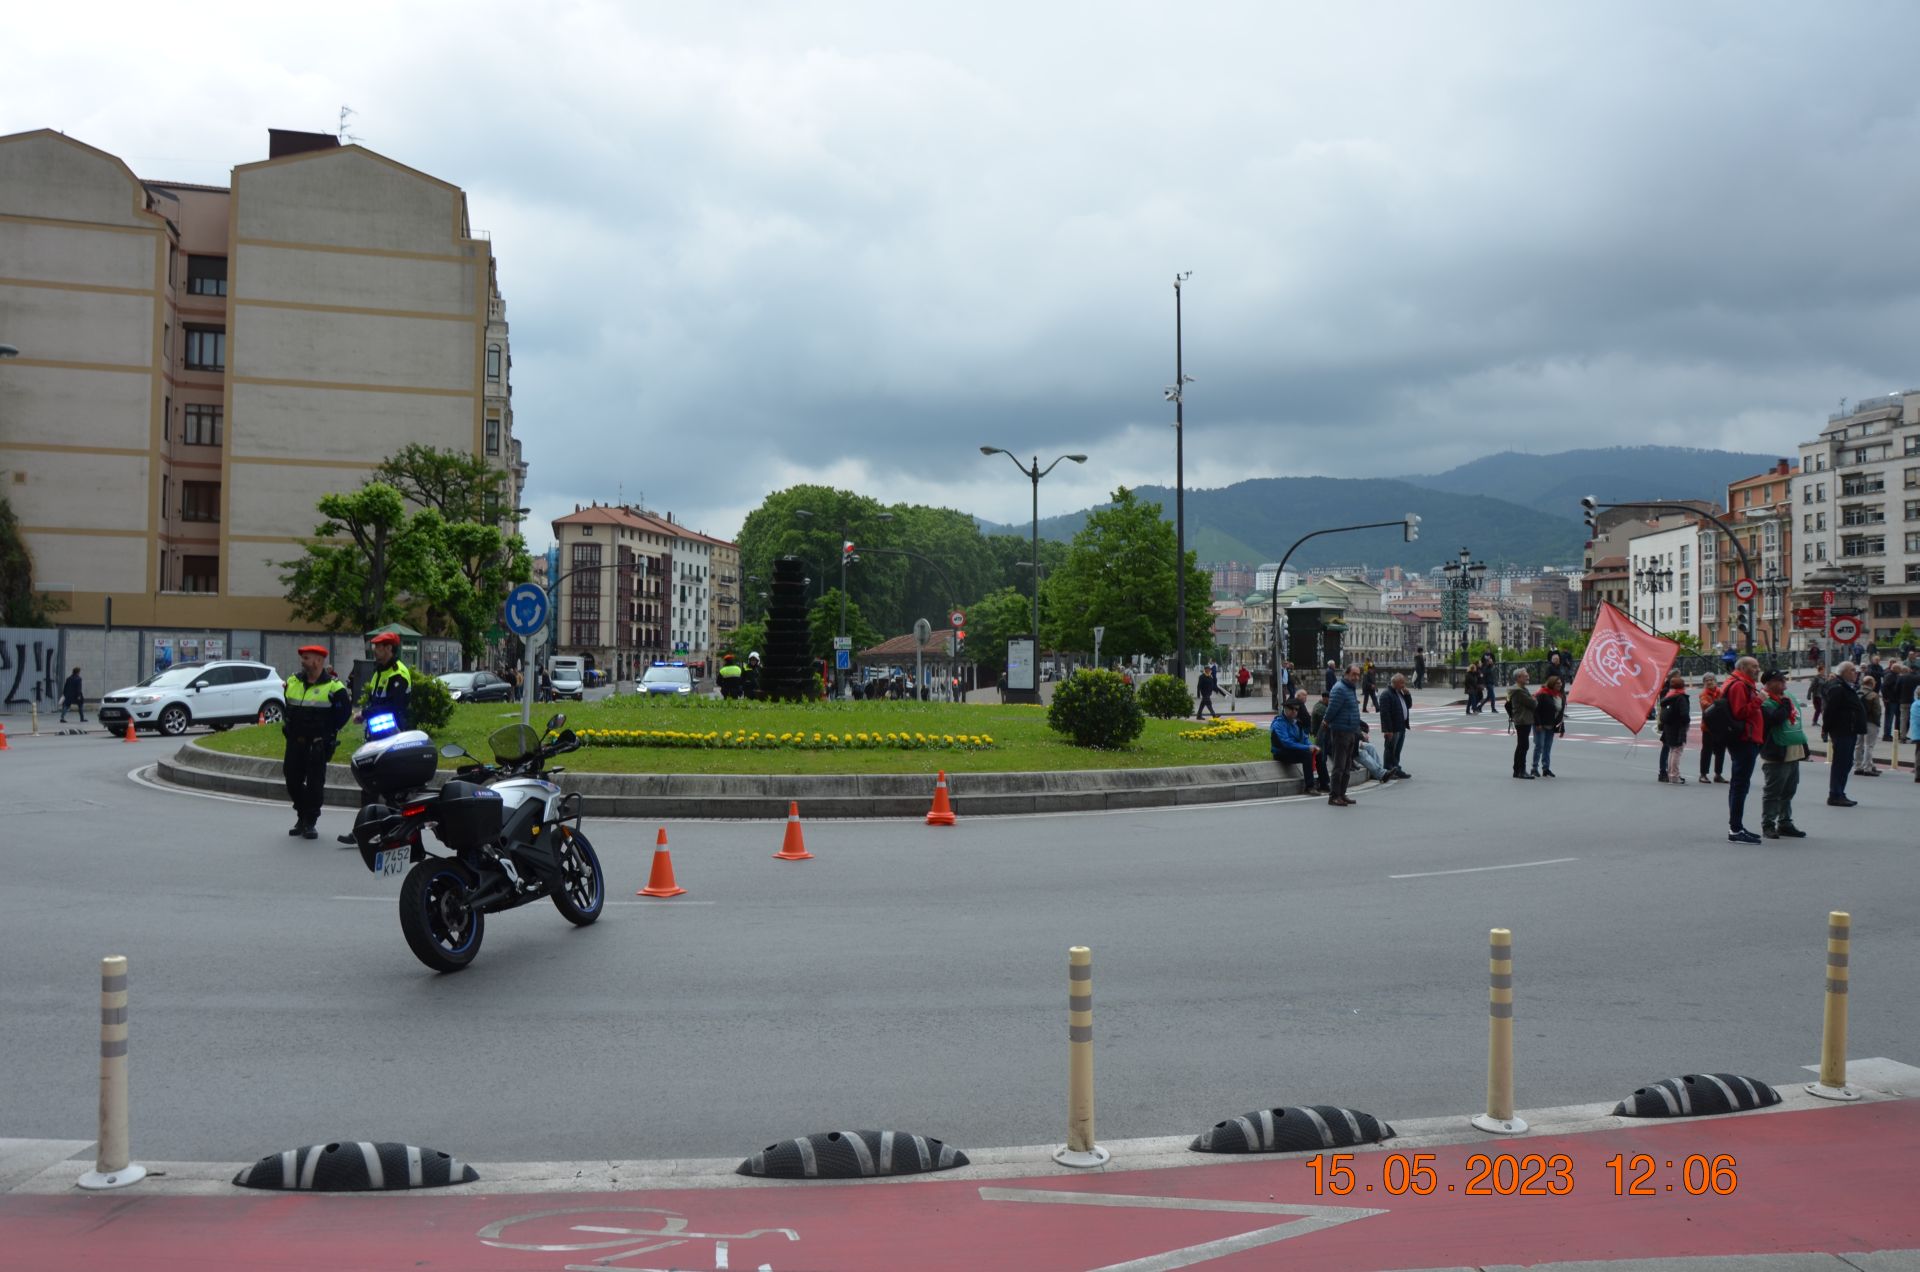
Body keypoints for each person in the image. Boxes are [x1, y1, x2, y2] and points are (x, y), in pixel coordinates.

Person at [338, 632, 413, 844]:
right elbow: (375, 701)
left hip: (392, 736)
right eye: (375, 646)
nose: (375, 650)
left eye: (380, 646)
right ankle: (364, 830)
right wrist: (367, 715)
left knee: (389, 789)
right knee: (369, 785)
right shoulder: (379, 672)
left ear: (390, 649)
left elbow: (393, 707)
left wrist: (365, 714)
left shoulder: (399, 673)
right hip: (376, 736)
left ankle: (398, 832)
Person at [282, 646, 351, 841]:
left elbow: (344, 714)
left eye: (306, 658)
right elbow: (287, 705)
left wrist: (328, 733)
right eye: (302, 658)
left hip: (317, 744)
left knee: (315, 785)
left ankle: (310, 821)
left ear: (318, 661)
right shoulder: (293, 681)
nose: (302, 662)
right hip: (295, 742)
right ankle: (302, 814)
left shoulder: (334, 687)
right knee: (292, 780)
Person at [1758, 668, 1808, 839]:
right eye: (1780, 680)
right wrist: (1785, 705)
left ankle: (1785, 822)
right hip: (1776, 752)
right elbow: (1776, 719)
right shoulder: (1765, 702)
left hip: (1792, 750)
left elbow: (1796, 723)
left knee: (1789, 790)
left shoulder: (1787, 698)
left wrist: (1804, 746)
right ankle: (1768, 824)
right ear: (1769, 684)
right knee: (1773, 791)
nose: (1784, 683)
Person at [1723, 655, 1766, 844]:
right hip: (1744, 740)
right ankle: (1735, 829)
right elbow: (1739, 712)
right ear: (1743, 667)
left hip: (1746, 739)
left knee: (1740, 785)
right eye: (1753, 666)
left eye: (1757, 666)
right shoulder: (1739, 685)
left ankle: (1737, 826)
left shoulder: (1741, 683)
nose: (1757, 669)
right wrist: (1760, 700)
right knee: (1740, 786)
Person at [1821, 661, 1864, 807]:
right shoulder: (1838, 688)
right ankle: (1835, 794)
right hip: (1842, 730)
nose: (1855, 673)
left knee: (1846, 763)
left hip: (1849, 730)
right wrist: (1825, 729)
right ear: (1843, 672)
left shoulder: (1845, 686)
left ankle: (1839, 792)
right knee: (1841, 763)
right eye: (1852, 670)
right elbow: (1829, 711)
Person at [1324, 664, 1363, 806]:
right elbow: (1332, 708)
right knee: (1339, 767)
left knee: (1346, 767)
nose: (1356, 678)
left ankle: (1342, 794)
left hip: (1350, 731)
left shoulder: (1349, 688)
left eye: (1358, 675)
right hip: (1341, 731)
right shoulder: (1340, 688)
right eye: (1354, 674)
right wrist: (1326, 721)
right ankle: (1334, 796)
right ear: (1346, 674)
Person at [1656, 671, 1690, 784]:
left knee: (1671, 750)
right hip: (1678, 727)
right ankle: (1674, 775)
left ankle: (1669, 774)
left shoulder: (1668, 695)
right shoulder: (1680, 697)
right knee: (1676, 750)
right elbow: (1684, 714)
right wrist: (1686, 722)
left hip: (1668, 726)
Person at [1267, 698, 1317, 776]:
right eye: (1291, 708)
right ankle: (1309, 786)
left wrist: (1312, 746)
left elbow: (1304, 738)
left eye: (1296, 709)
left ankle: (1324, 783)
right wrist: (1307, 747)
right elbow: (1286, 743)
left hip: (1293, 750)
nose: (1294, 711)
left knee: (1319, 753)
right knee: (1306, 755)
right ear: (1285, 708)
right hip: (1281, 752)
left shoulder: (1296, 722)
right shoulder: (1279, 723)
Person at [1377, 672, 1413, 780]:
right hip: (1393, 728)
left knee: (1397, 750)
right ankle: (1388, 769)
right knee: (1390, 750)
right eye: (1402, 683)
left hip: (1401, 726)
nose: (1404, 685)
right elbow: (1384, 714)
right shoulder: (1386, 694)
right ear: (1395, 682)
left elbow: (1408, 705)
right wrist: (1387, 730)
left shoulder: (1400, 692)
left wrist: (1407, 694)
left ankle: (1396, 768)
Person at [1531, 674, 1564, 778]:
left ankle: (1546, 768)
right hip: (1541, 724)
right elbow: (1535, 710)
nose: (1560, 684)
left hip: (1552, 724)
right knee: (1539, 746)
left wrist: (1561, 728)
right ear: (1552, 684)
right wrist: (1538, 723)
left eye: (1560, 683)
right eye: (1557, 683)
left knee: (1547, 747)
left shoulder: (1560, 695)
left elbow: (1561, 713)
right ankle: (1534, 768)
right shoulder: (1542, 694)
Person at [1504, 669, 1536, 779]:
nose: (1528, 677)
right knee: (1523, 746)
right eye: (1525, 675)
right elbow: (1532, 703)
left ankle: (1517, 770)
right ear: (1518, 678)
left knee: (1521, 746)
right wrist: (1534, 699)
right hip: (1523, 720)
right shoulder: (1519, 691)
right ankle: (1521, 770)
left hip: (1522, 719)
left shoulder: (1520, 689)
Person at [1697, 674, 1728, 783]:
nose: (1709, 682)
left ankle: (1718, 774)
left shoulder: (1721, 692)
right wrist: (1719, 705)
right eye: (1707, 680)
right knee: (1707, 751)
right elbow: (1706, 706)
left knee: (1720, 751)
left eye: (1711, 679)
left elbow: (1727, 705)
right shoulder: (1703, 694)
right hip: (1708, 727)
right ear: (1704, 683)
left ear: (1715, 681)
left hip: (1721, 727)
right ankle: (1703, 774)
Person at [1857, 675, 1884, 776]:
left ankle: (1858, 767)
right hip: (1871, 722)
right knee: (1869, 745)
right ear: (1871, 684)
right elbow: (1877, 711)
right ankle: (1867, 768)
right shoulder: (1873, 695)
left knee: (1858, 745)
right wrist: (1878, 723)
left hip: (1859, 722)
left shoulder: (1857, 693)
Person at [1808, 663, 1830, 728]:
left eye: (1824, 670)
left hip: (1822, 695)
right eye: (1823, 670)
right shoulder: (1816, 678)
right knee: (1820, 709)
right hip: (1817, 695)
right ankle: (1822, 721)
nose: (1824, 671)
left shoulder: (1824, 677)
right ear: (1820, 670)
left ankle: (1816, 721)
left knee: (1819, 709)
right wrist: (1809, 694)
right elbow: (1812, 686)